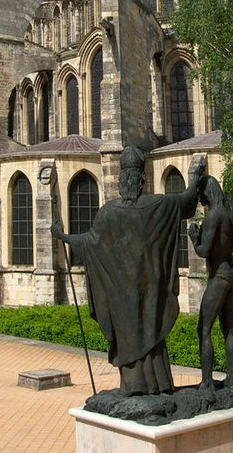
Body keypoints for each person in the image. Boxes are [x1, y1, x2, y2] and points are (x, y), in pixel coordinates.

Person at [51, 147, 205, 396]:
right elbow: (187, 202)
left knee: (129, 335)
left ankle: (134, 386)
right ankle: (159, 384)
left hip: (122, 295)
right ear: (142, 181)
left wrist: (62, 236)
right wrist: (196, 175)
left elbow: (89, 242)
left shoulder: (109, 213)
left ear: (122, 181)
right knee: (151, 333)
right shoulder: (159, 204)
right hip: (151, 290)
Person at [188, 175, 233, 396]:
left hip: (219, 275)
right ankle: (231, 379)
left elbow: (204, 251)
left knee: (204, 329)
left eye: (201, 195)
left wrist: (193, 237)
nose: (201, 199)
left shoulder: (213, 216)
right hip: (232, 272)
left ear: (207, 192)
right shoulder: (230, 215)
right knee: (228, 327)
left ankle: (207, 382)